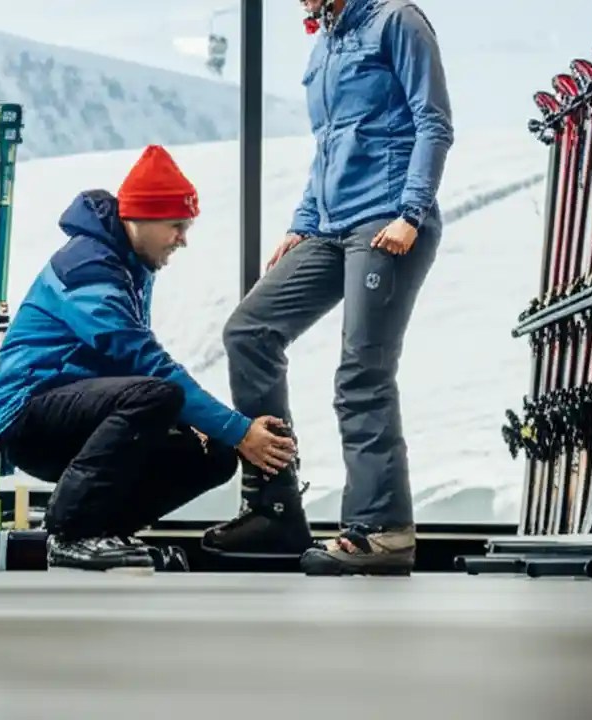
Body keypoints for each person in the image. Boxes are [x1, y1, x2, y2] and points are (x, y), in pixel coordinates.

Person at [202, 0, 454, 577]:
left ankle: (382, 531)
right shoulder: (328, 43)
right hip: (331, 227)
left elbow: (432, 122)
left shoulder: (398, 22)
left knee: (361, 373)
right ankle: (276, 508)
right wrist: (301, 223)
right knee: (249, 331)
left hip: (388, 220)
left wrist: (411, 212)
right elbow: (327, 149)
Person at [0, 144, 298, 572]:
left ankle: (105, 532)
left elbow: (131, 374)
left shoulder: (131, 264)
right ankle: (71, 534)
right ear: (141, 218)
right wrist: (238, 428)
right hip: (31, 416)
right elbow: (143, 365)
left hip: (83, 410)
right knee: (163, 397)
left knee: (212, 454)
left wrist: (218, 433)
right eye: (177, 226)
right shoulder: (88, 267)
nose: (182, 240)